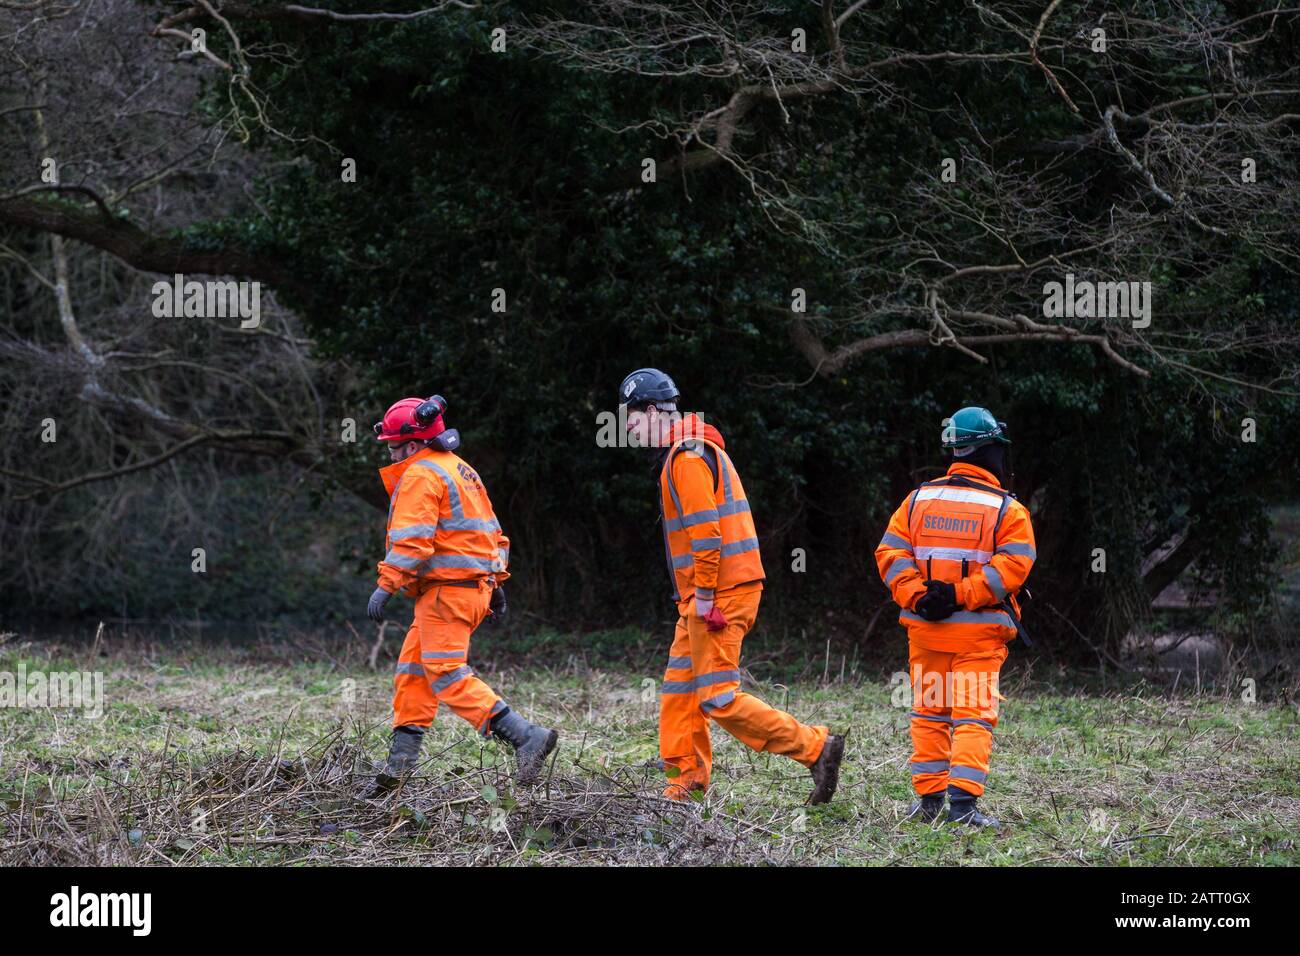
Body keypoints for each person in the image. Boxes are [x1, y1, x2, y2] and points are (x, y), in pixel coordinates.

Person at [618, 368, 846, 804]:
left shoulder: (686, 457)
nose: (627, 426)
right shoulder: (691, 451)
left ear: (651, 412)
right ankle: (683, 785)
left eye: (631, 417)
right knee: (680, 693)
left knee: (718, 698)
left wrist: (703, 596)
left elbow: (707, 534)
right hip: (705, 597)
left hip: (717, 597)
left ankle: (816, 748)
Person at [367, 394, 558, 794]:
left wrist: (386, 585)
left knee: (446, 674)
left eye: (393, 445)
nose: (389, 452)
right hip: (470, 589)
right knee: (414, 672)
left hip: (447, 593)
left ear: (414, 445)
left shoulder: (421, 474)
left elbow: (413, 541)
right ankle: (398, 767)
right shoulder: (462, 470)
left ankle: (525, 736)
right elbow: (492, 533)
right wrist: (497, 584)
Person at [875, 406, 1036, 828]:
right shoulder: (1008, 510)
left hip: (925, 634)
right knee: (971, 718)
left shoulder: (917, 501)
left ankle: (928, 803)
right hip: (978, 638)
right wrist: (962, 594)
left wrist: (919, 595)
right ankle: (963, 808)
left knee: (928, 714)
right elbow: (1014, 567)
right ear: (990, 450)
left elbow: (890, 555)